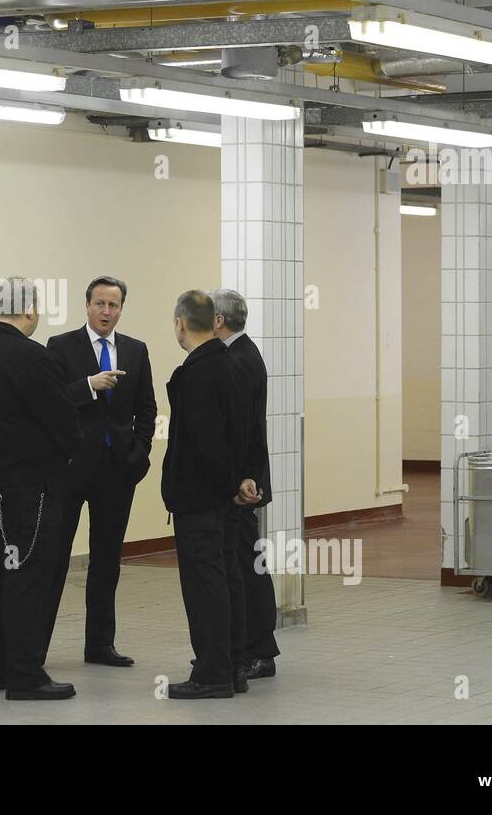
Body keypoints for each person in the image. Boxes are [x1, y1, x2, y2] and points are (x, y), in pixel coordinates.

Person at [0, 276, 82, 700]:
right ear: (30, 310)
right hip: (29, 490)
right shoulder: (33, 357)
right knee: (27, 574)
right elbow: (64, 422)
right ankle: (25, 673)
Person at [44, 276, 157, 667]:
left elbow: (147, 408)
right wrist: (88, 386)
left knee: (107, 560)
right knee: (55, 559)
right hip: (72, 469)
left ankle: (100, 645)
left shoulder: (136, 350)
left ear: (122, 308)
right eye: (99, 304)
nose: (106, 312)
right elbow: (51, 402)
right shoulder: (61, 347)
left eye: (114, 305)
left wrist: (139, 453)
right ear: (86, 305)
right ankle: (36, 647)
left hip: (117, 469)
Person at [161, 290, 255, 699]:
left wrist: (222, 486)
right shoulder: (233, 364)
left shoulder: (199, 373)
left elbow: (207, 443)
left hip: (201, 500)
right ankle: (233, 665)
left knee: (205, 588)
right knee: (228, 578)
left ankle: (212, 673)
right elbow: (242, 433)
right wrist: (239, 482)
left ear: (181, 323)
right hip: (224, 497)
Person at [212, 288, 281, 680]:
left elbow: (242, 431)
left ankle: (260, 648)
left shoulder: (238, 359)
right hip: (244, 480)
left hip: (243, 484)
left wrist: (242, 479)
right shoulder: (243, 354)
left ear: (219, 320)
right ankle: (245, 644)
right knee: (244, 561)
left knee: (247, 564)